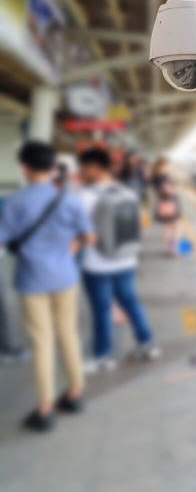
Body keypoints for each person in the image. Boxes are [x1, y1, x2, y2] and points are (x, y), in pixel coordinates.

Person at [0, 141, 93, 432]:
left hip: (32, 281)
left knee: (42, 343)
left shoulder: (14, 202)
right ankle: (75, 393)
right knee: (68, 334)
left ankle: (45, 408)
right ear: (54, 168)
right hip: (65, 277)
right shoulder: (69, 199)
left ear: (24, 167)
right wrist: (70, 248)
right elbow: (88, 237)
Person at [77, 148, 160, 373]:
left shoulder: (83, 197)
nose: (80, 173)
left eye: (82, 169)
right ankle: (148, 344)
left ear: (93, 167)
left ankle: (103, 356)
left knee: (102, 310)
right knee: (131, 303)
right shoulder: (128, 193)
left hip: (97, 265)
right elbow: (143, 223)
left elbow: (81, 234)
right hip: (127, 260)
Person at [151, 157, 182, 256]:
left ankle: (169, 249)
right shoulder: (162, 176)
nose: (168, 167)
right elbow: (167, 190)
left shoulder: (156, 176)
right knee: (176, 226)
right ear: (161, 166)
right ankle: (172, 249)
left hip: (163, 203)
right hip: (168, 203)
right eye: (166, 165)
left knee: (169, 226)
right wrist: (174, 189)